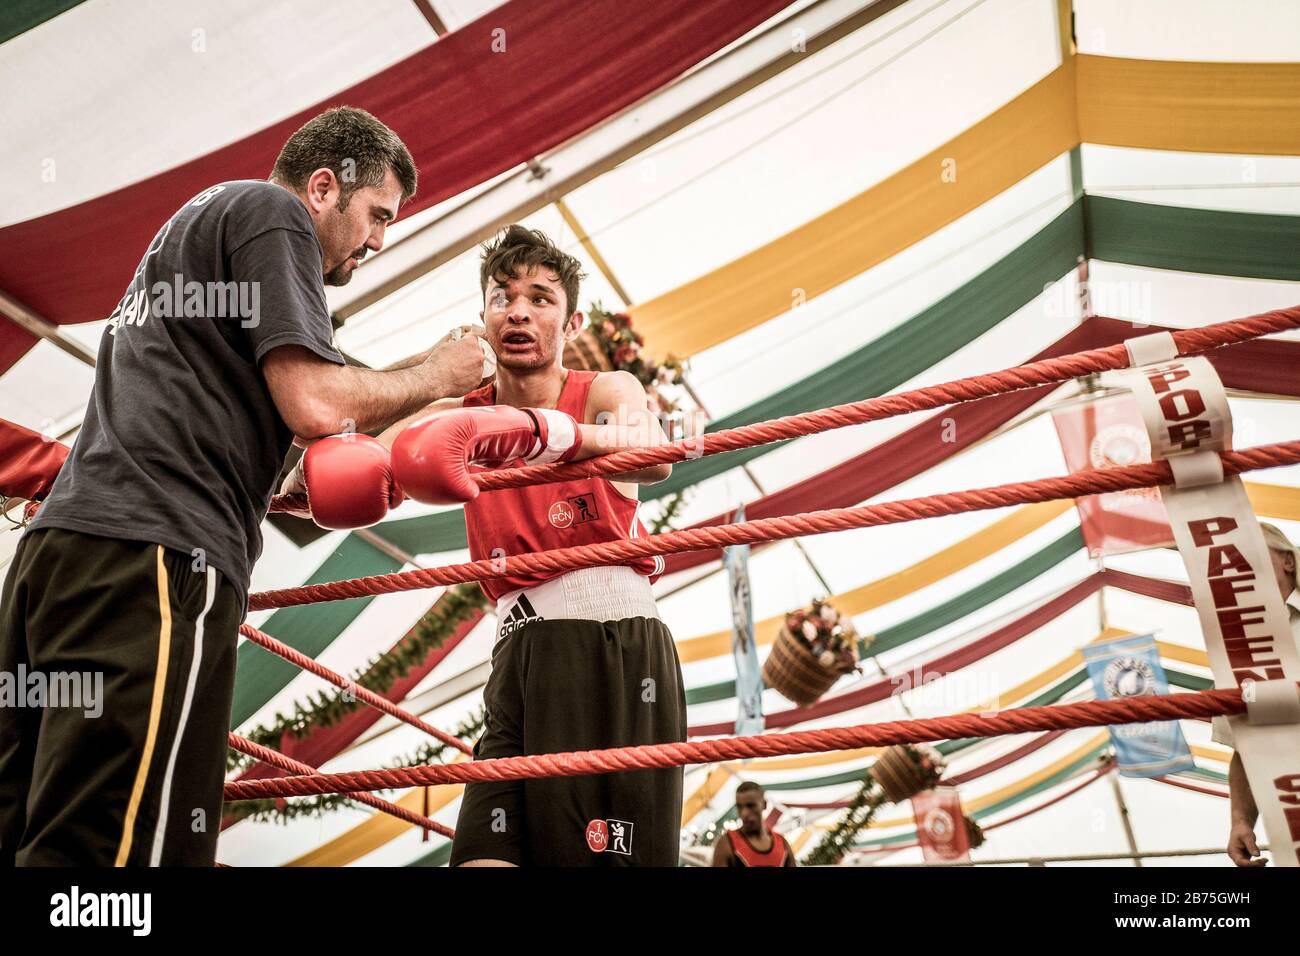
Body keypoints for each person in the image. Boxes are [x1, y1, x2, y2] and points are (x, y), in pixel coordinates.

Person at [0, 106, 487, 866]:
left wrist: (288, 475)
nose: (380, 242)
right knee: (119, 850)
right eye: (377, 215)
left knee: (32, 825)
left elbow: (240, 414)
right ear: (324, 187)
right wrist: (437, 374)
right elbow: (317, 402)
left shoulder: (196, 229)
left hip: (60, 559)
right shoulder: (272, 214)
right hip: (155, 560)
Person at [380, 225, 686, 866]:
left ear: (571, 323)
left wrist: (533, 432)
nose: (519, 309)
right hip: (516, 654)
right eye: (503, 295)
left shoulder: (604, 390)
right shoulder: (456, 412)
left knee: (603, 858)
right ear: (485, 318)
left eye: (541, 297)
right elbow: (363, 454)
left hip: (608, 650)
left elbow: (653, 452)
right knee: (483, 855)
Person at [1217, 522, 1300, 867]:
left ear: (1288, 562)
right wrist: (1240, 821)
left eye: (1250, 553)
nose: (1241, 567)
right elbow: (1245, 745)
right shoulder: (1235, 645)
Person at [711, 781, 795, 867]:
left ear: (764, 805)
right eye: (739, 806)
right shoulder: (727, 843)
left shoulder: (782, 844)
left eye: (750, 806)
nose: (744, 813)